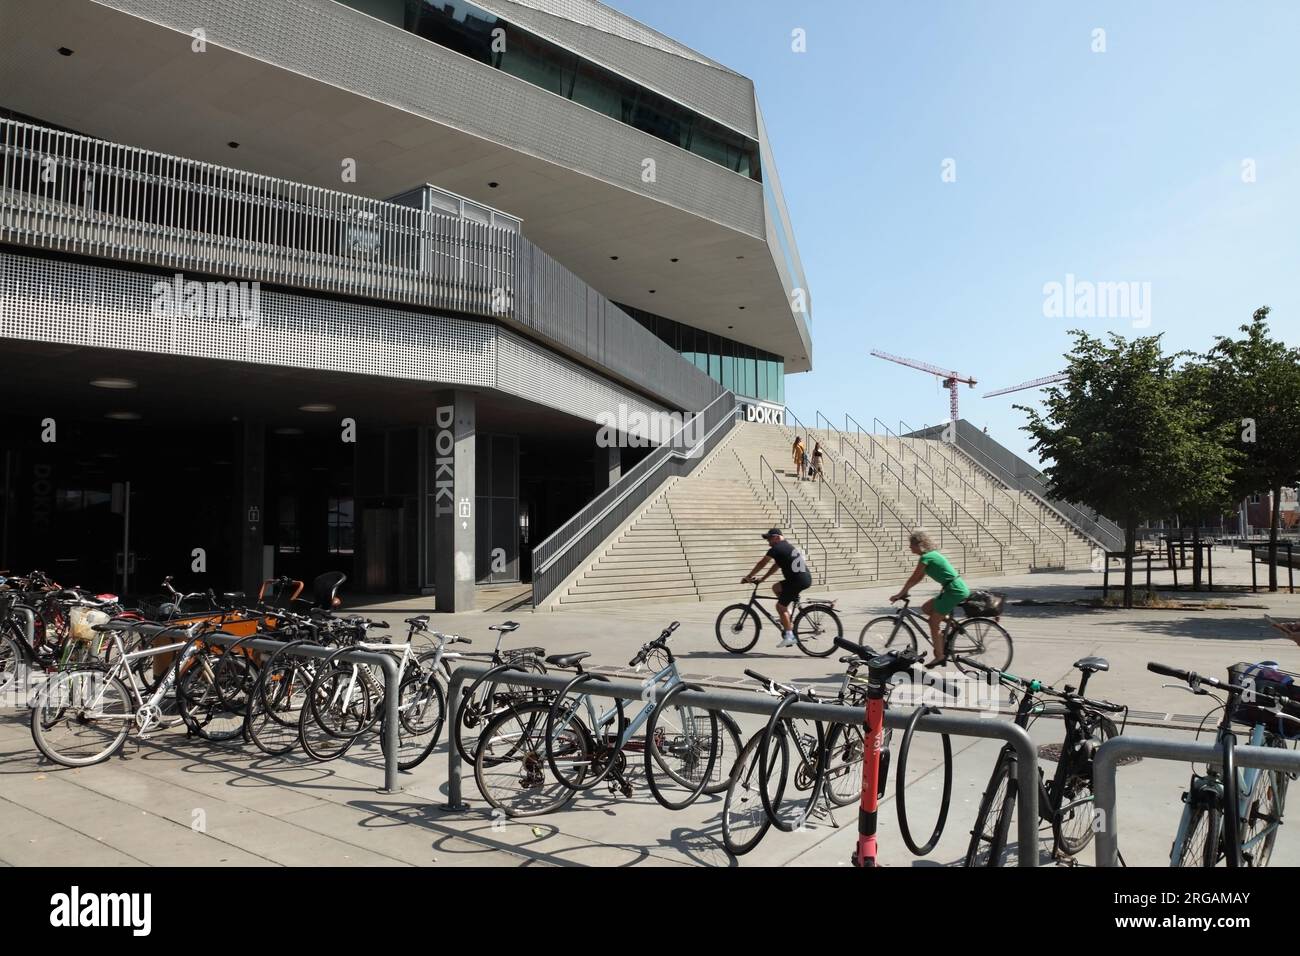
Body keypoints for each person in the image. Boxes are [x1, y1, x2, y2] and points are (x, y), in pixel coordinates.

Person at [889, 529, 970, 667]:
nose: (909, 547)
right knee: (926, 608)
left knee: (933, 622)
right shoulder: (930, 556)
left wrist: (900, 593)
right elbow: (919, 578)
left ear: (919, 544)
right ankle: (953, 626)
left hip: (954, 590)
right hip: (952, 588)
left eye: (911, 544)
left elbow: (914, 577)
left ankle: (940, 656)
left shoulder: (926, 557)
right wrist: (905, 591)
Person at [743, 528, 812, 648]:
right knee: (776, 587)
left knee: (780, 606)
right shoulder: (786, 547)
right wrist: (763, 579)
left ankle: (790, 636)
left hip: (796, 581)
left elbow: (762, 563)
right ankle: (787, 615)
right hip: (802, 579)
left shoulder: (776, 548)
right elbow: (776, 566)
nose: (768, 542)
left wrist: (749, 576)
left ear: (777, 537)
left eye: (769, 538)